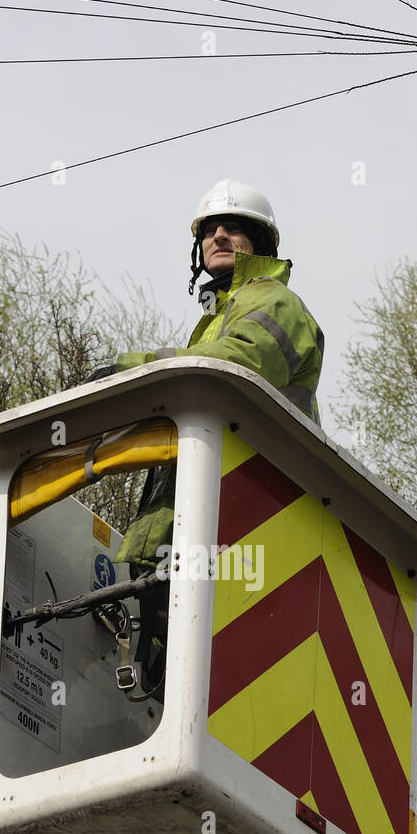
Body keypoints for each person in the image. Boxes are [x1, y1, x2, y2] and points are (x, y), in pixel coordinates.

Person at [115, 179, 324, 577]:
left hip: (250, 524)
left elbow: (238, 363)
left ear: (259, 239)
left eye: (233, 227)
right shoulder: (214, 320)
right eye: (210, 231)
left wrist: (134, 368)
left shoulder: (275, 300)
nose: (219, 236)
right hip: (192, 529)